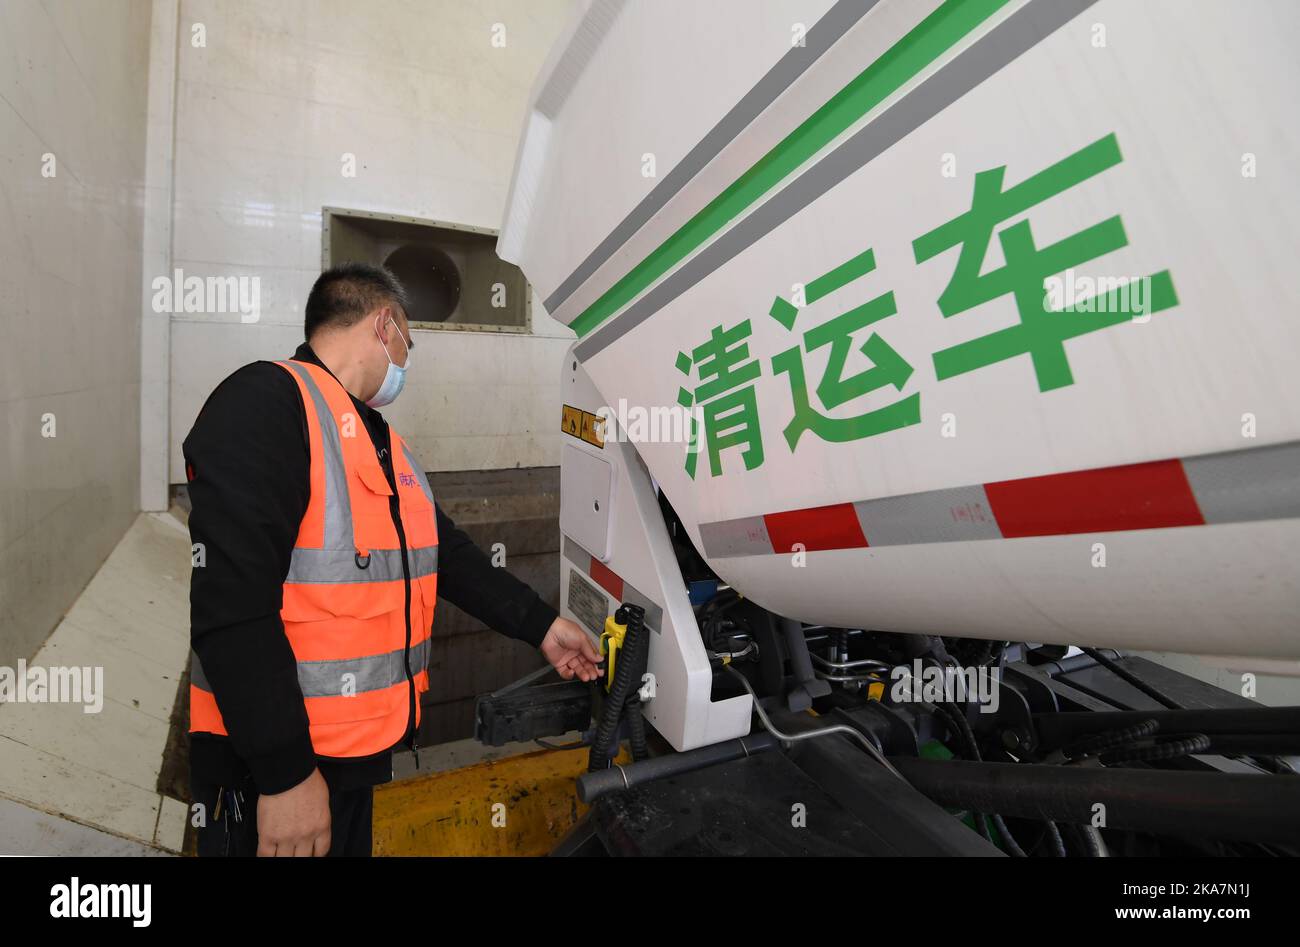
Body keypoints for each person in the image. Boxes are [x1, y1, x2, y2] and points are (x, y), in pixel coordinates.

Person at [183, 262, 601, 856]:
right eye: (407, 342)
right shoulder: (265, 402)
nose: (406, 360)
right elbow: (231, 606)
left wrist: (541, 626)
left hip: (350, 762)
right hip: (271, 773)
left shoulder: (378, 438)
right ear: (385, 325)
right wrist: (285, 775)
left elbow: (445, 553)